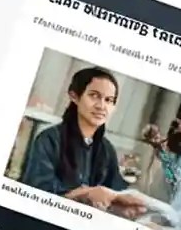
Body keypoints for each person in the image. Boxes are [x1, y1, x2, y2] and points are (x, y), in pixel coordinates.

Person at [20, 67, 146, 217]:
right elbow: (36, 192)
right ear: (74, 96)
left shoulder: (107, 150)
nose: (101, 106)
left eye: (108, 100)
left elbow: (116, 192)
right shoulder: (49, 139)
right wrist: (86, 194)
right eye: (94, 96)